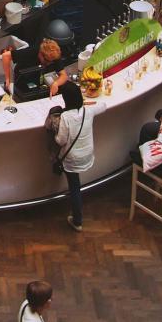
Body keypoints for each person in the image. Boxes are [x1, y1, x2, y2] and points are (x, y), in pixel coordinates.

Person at [55, 82, 106, 232]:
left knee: (74, 186)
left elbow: (61, 141)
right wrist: (88, 104)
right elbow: (104, 106)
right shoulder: (88, 111)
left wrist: (55, 134)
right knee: (75, 185)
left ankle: (77, 220)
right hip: (87, 154)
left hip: (72, 158)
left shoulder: (65, 117)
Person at [1, 39, 69, 96]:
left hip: (39, 77)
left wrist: (56, 83)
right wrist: (8, 79)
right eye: (47, 61)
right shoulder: (31, 51)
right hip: (23, 77)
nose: (48, 64)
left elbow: (64, 76)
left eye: (51, 62)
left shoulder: (54, 56)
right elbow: (6, 56)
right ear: (40, 54)